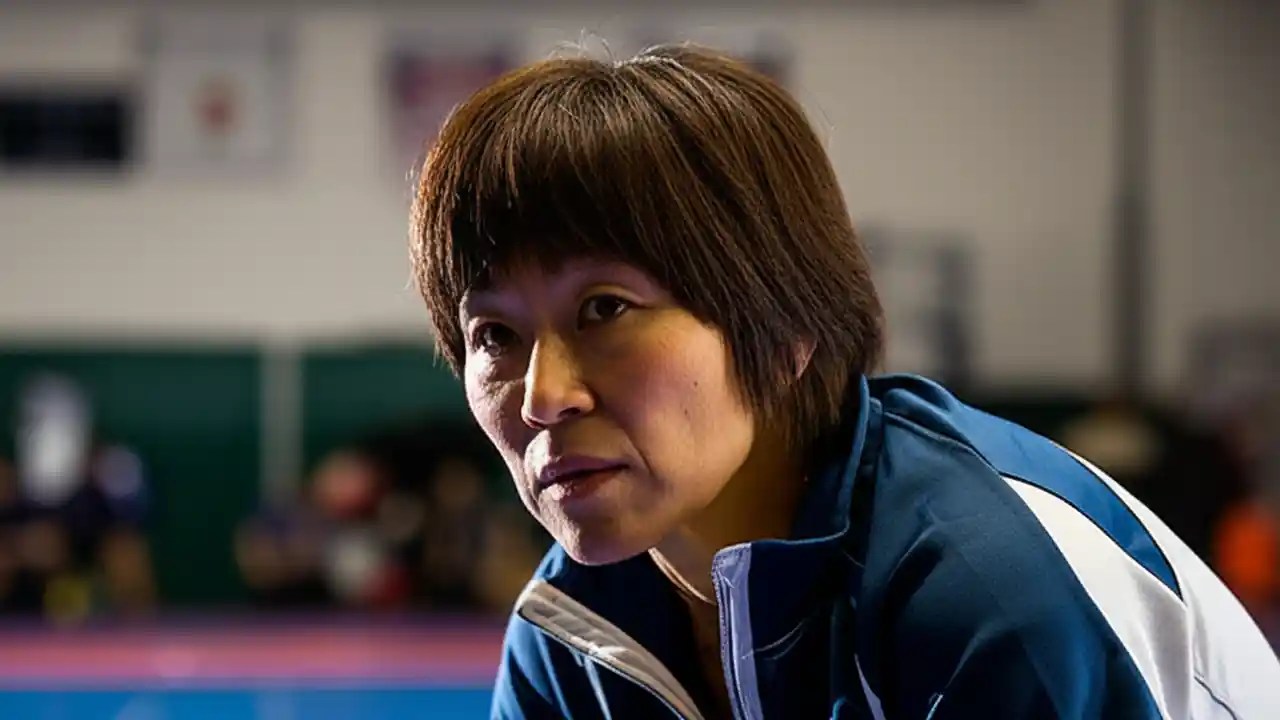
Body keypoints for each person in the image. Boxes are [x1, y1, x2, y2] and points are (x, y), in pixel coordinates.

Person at [409, 44, 1280, 719]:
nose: (541, 396)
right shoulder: (575, 636)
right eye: (495, 335)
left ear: (786, 329)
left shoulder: (987, 592)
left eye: (605, 309)